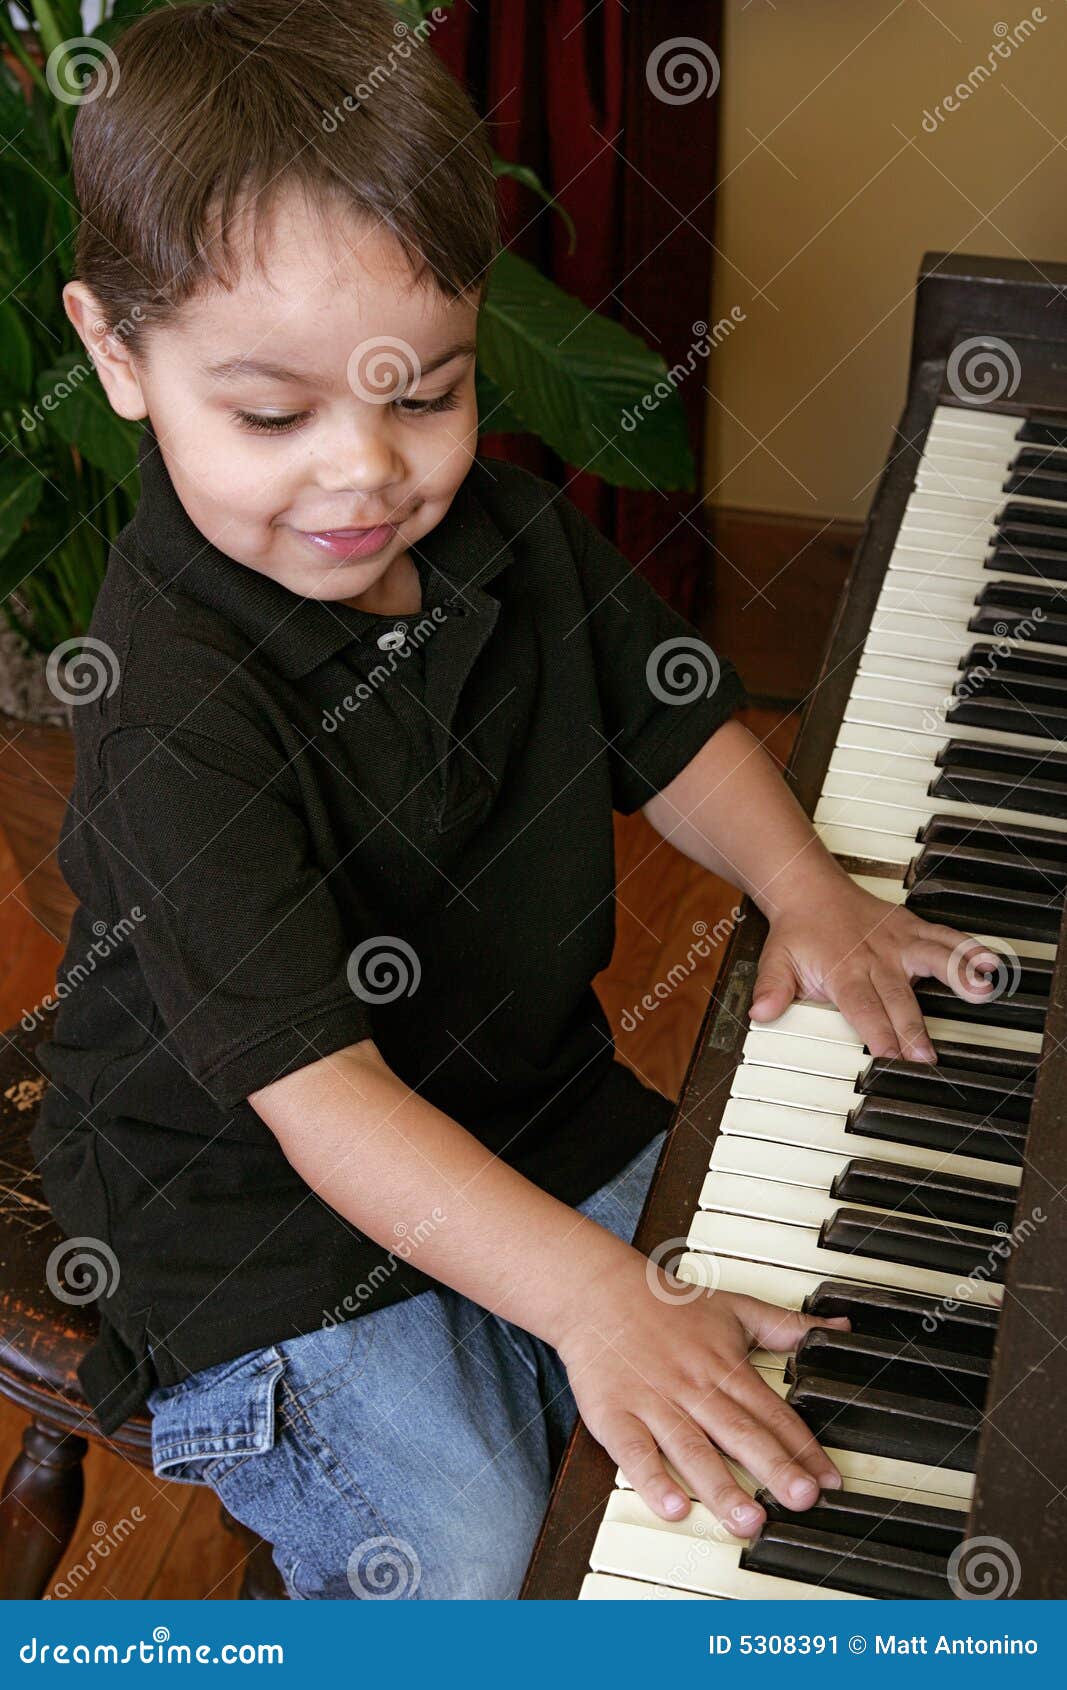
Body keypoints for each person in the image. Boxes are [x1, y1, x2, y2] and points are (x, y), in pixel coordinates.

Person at [30, 0, 998, 1600]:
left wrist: (807, 891)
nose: (367, 472)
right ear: (117, 353)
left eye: (424, 392)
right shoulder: (168, 700)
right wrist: (590, 1298)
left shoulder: (502, 528)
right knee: (477, 1551)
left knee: (778, 1316)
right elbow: (321, 1100)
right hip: (256, 1214)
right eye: (273, 416)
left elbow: (674, 723)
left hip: (519, 1100)